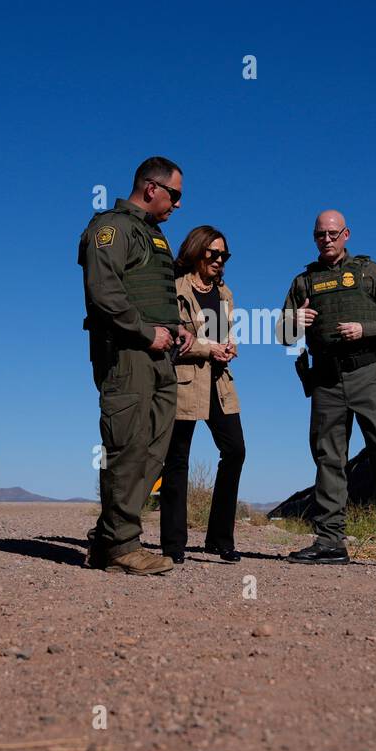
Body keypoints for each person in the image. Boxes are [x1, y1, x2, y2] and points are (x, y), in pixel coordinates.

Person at [278, 210, 376, 565]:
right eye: (319, 235)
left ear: (346, 234)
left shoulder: (369, 272)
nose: (326, 240)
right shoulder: (303, 282)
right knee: (329, 458)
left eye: (332, 234)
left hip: (369, 374)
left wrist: (365, 329)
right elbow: (282, 336)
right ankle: (330, 543)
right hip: (326, 379)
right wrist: (293, 322)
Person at [78, 156, 194, 575]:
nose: (178, 205)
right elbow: (103, 291)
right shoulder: (112, 228)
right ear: (151, 188)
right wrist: (146, 332)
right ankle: (123, 547)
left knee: (155, 449)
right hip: (127, 355)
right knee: (127, 448)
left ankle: (109, 536)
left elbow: (148, 291)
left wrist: (176, 327)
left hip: (161, 355)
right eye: (174, 195)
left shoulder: (154, 235)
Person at [159, 226, 246, 563]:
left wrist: (229, 347)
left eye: (224, 255)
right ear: (197, 251)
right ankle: (173, 544)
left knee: (235, 451)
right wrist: (211, 349)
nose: (219, 260)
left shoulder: (225, 293)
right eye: (213, 253)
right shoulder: (175, 288)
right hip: (183, 383)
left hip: (220, 384)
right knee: (177, 460)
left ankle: (220, 538)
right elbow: (175, 339)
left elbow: (226, 334)